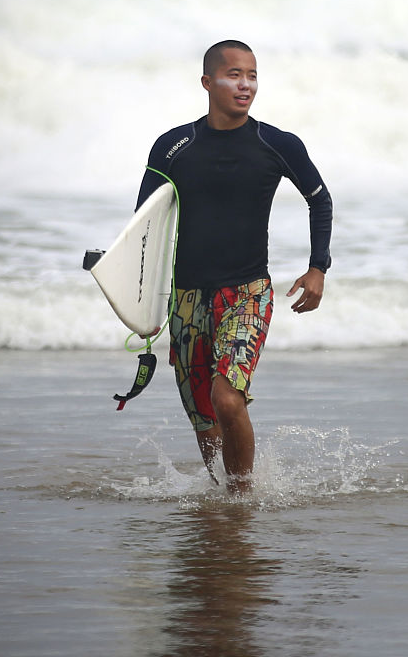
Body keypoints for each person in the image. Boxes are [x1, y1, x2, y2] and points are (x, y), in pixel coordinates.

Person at [136, 40, 332, 494]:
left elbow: (319, 202)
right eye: (234, 75)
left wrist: (318, 267)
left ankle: (242, 501)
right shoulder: (173, 146)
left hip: (247, 293)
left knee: (226, 398)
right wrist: (138, 299)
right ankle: (224, 503)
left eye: (252, 76)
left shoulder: (277, 144)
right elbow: (144, 223)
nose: (245, 85)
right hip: (186, 298)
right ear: (208, 82)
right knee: (204, 419)